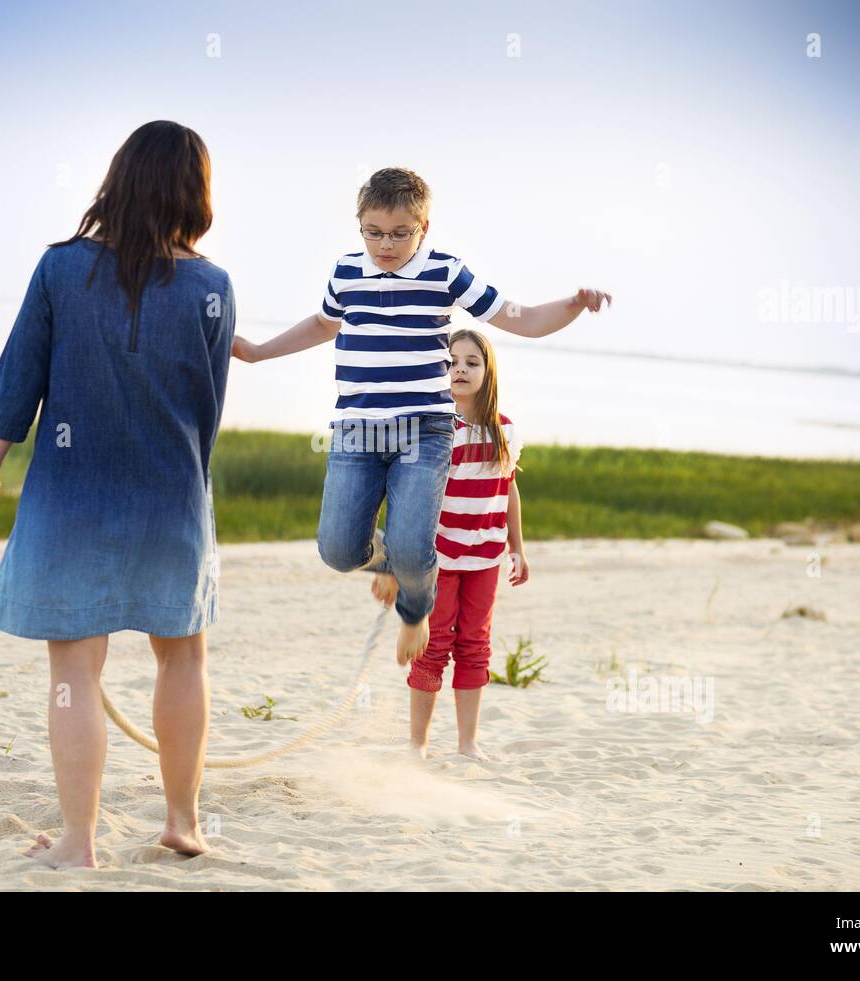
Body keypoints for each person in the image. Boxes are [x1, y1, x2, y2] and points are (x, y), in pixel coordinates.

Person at [0, 120, 234, 866]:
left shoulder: (60, 270)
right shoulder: (213, 287)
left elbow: (18, 385)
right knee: (183, 660)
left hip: (71, 501)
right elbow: (207, 411)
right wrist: (184, 488)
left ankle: (79, 842)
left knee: (73, 672)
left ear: (116, 179)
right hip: (171, 499)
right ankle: (183, 822)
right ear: (195, 192)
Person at [231, 166, 609, 665]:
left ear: (423, 227)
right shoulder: (345, 271)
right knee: (339, 551)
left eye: (399, 233)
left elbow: (523, 319)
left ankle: (415, 606)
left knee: (415, 551)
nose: (385, 244)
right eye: (373, 232)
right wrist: (257, 352)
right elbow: (322, 325)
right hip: (355, 430)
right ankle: (391, 563)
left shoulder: (445, 271)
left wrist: (572, 304)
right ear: (360, 224)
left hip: (424, 431)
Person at [371, 329, 526, 760]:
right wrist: (392, 564)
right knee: (433, 644)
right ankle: (417, 744)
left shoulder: (506, 432)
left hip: (486, 556)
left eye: (471, 362)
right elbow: (404, 495)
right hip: (437, 557)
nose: (459, 368)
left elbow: (509, 488)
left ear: (487, 371)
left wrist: (518, 546)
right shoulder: (436, 430)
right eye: (451, 361)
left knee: (476, 644)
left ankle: (467, 743)